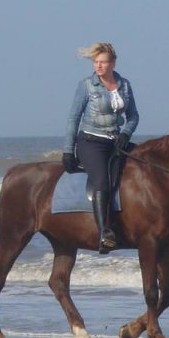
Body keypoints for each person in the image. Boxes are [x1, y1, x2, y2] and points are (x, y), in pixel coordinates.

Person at [63, 42, 139, 253]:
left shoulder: (124, 85)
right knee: (102, 181)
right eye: (96, 62)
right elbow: (73, 118)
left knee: (144, 167)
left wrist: (126, 133)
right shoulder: (86, 85)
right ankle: (105, 232)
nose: (99, 66)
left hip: (116, 141)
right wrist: (68, 150)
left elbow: (133, 116)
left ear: (113, 63)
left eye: (103, 62)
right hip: (91, 142)